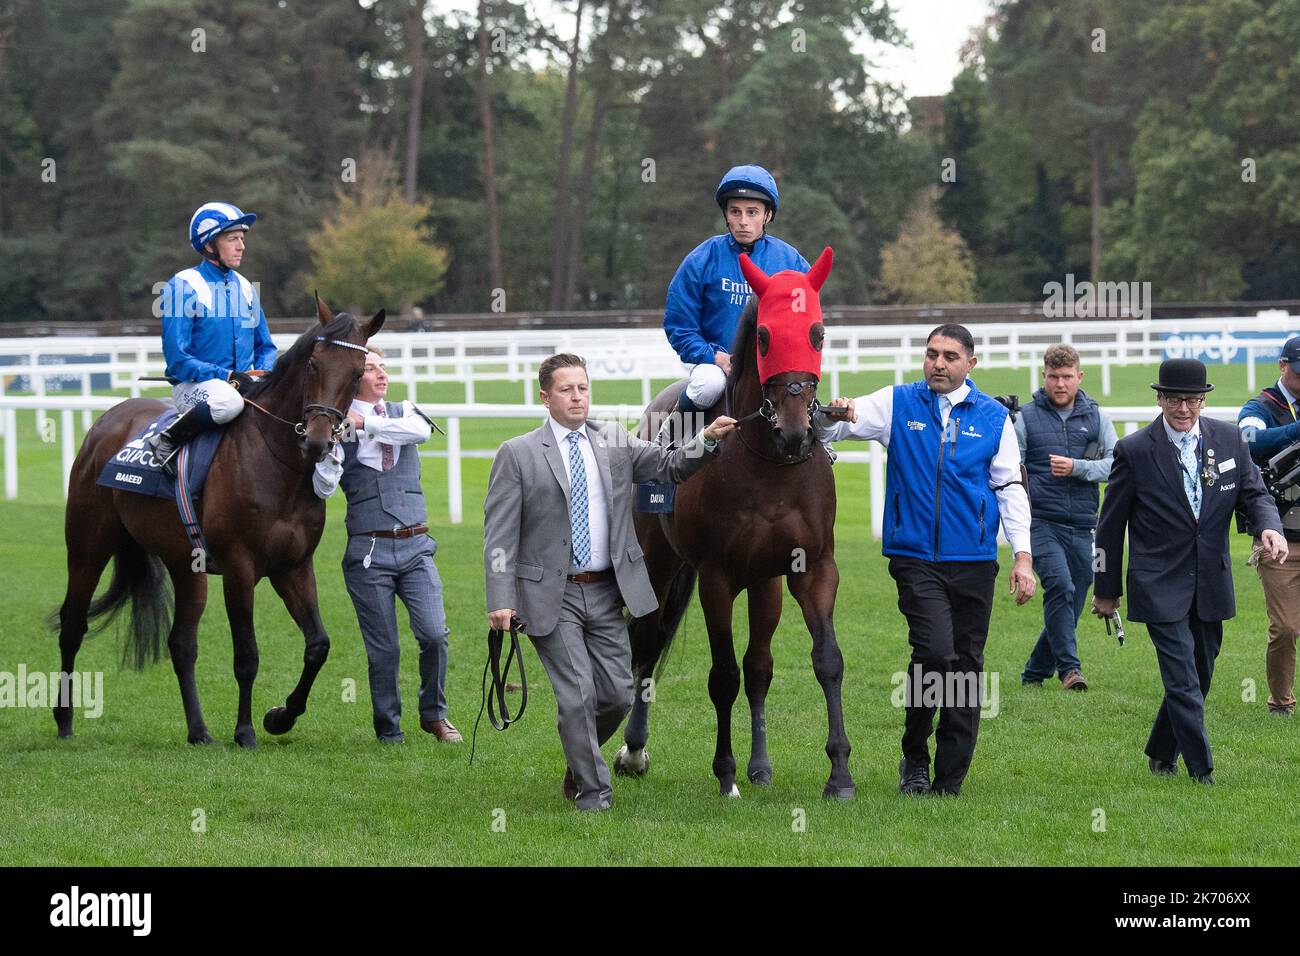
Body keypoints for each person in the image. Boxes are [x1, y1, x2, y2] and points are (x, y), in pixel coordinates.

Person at [482, 353, 735, 811]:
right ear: (545, 398)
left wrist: (708, 440)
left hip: (606, 592)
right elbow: (498, 532)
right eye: (566, 389)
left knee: (617, 695)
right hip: (549, 596)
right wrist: (500, 598)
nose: (577, 396)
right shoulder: (517, 455)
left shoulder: (614, 440)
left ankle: (579, 763)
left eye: (582, 387)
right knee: (577, 695)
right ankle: (594, 793)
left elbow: (668, 466)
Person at [819, 324, 1035, 797]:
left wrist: (1023, 557)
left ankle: (949, 780)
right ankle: (914, 755)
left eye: (950, 356)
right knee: (937, 653)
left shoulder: (995, 418)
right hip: (915, 558)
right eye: (932, 354)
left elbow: (1010, 488)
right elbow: (833, 425)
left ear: (970, 364)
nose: (939, 363)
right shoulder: (897, 403)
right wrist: (833, 412)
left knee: (965, 666)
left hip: (976, 559)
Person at [1093, 358, 1287, 784]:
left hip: (1211, 580)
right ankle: (1202, 770)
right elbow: (1108, 530)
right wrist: (1105, 590)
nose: (1184, 409)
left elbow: (1255, 495)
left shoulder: (1230, 440)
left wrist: (1269, 527)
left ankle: (1161, 751)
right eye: (1175, 400)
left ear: (1203, 400)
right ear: (1160, 399)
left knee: (1201, 672)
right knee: (1181, 677)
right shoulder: (1135, 451)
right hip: (1157, 581)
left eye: (1192, 400)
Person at [312, 347, 460, 744]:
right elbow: (323, 489)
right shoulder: (337, 426)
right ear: (353, 378)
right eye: (371, 369)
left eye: (383, 367)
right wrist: (329, 457)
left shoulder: (405, 411)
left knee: (434, 634)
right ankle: (389, 729)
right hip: (369, 553)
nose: (381, 375)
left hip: (416, 548)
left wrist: (365, 424)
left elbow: (421, 433)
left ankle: (433, 714)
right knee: (384, 649)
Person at [659, 164, 808, 443]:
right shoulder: (701, 259)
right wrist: (714, 357)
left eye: (752, 213)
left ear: (768, 215)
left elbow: (806, 320)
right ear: (726, 215)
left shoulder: (791, 262)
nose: (743, 221)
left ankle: (822, 446)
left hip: (774, 366)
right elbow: (679, 326)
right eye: (735, 212)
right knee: (707, 385)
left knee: (800, 390)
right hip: (715, 364)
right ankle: (667, 441)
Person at [1015, 344, 1118, 691]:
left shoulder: (1098, 418)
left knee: (1071, 601)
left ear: (1079, 377)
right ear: (1044, 376)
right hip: (1040, 522)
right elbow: (1013, 470)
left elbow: (1116, 465)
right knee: (1059, 585)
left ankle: (1033, 672)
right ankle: (1070, 670)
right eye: (1053, 377)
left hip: (1084, 524)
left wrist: (1078, 467)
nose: (1060, 384)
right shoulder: (1025, 418)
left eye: (1067, 377)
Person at [149, 201, 277, 474]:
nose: (241, 246)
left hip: (245, 385)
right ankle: (167, 439)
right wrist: (228, 375)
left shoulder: (245, 287)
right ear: (209, 245)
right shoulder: (183, 286)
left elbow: (265, 346)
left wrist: (263, 372)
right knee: (228, 402)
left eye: (242, 239)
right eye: (232, 239)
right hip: (196, 389)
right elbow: (178, 360)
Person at [1237, 336, 1300, 716]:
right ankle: (1281, 701)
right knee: (1286, 628)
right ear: (1282, 366)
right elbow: (1248, 440)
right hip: (1280, 539)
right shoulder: (1259, 406)